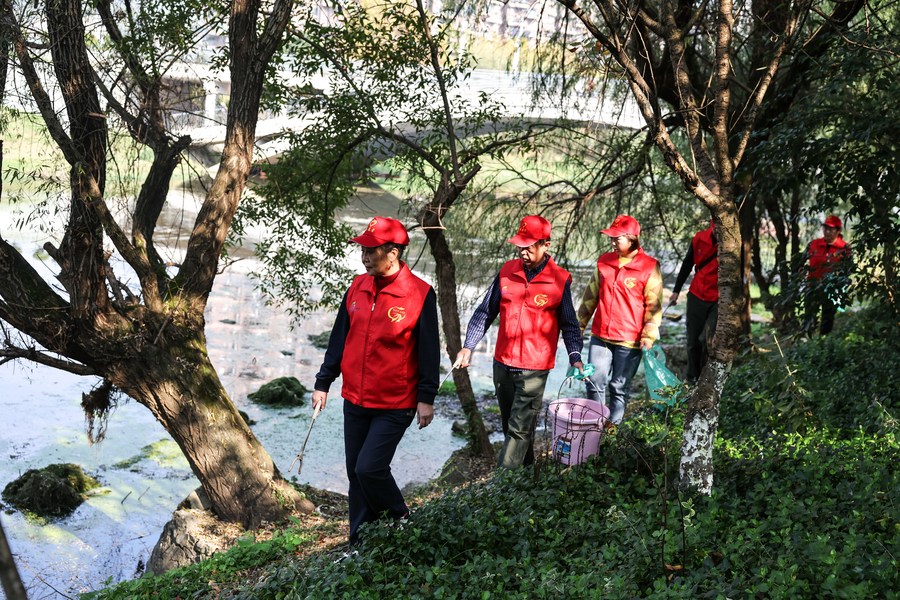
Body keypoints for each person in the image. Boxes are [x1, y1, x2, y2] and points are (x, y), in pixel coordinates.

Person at [312, 216, 439, 545]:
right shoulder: (357, 287)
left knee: (370, 468)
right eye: (363, 250)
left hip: (395, 402)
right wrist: (323, 383)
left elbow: (428, 351)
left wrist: (426, 397)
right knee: (356, 474)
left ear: (393, 253)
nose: (365, 256)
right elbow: (339, 339)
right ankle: (359, 543)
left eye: (372, 250)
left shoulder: (420, 294)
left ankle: (400, 515)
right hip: (355, 398)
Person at [455, 215, 583, 469]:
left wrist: (575, 356)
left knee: (518, 429)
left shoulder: (559, 280)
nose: (522, 251)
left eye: (529, 246)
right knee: (511, 427)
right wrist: (468, 346)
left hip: (534, 368)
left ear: (546, 245)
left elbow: (569, 324)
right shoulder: (506, 272)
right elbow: (485, 312)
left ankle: (499, 487)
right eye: (520, 245)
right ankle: (525, 478)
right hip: (502, 363)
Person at [576, 215, 663, 424]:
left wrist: (648, 335)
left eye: (617, 239)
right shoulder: (604, 262)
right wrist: (578, 325)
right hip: (600, 336)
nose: (613, 242)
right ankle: (595, 426)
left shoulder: (649, 266)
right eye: (611, 238)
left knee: (619, 387)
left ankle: (612, 432)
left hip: (630, 339)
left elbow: (654, 305)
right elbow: (590, 296)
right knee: (594, 382)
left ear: (632, 239)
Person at [669, 220, 718, 384]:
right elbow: (687, 264)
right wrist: (676, 291)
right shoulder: (699, 239)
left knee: (708, 339)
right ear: (713, 226)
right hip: (697, 294)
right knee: (693, 341)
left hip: (718, 299)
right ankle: (692, 378)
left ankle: (707, 377)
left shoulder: (731, 244)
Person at [803, 214, 851, 335]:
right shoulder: (813, 244)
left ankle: (823, 343)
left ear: (838, 231)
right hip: (812, 286)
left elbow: (848, 270)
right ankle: (808, 341)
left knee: (828, 318)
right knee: (809, 316)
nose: (827, 231)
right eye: (825, 228)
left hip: (832, 288)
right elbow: (802, 261)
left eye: (831, 229)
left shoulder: (844, 248)